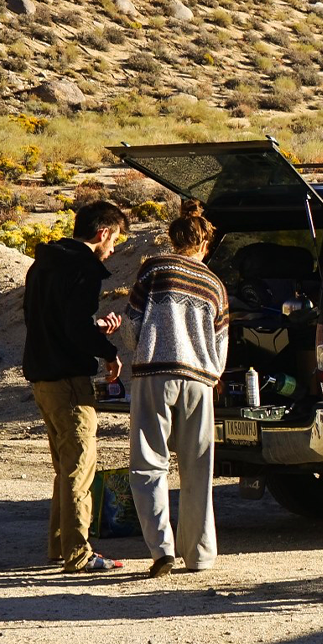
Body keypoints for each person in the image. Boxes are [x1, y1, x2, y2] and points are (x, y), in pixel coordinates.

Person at [22, 200, 129, 572]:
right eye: (114, 240)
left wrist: (92, 331)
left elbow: (53, 320)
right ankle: (79, 554)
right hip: (68, 380)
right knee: (80, 466)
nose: (112, 249)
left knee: (64, 466)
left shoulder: (42, 264)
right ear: (102, 233)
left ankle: (60, 546)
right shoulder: (84, 268)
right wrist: (108, 351)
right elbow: (74, 326)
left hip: (41, 375)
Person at [126, 201, 228, 578]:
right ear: (205, 244)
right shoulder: (215, 284)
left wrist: (140, 349)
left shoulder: (155, 268)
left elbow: (132, 324)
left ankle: (161, 550)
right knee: (198, 468)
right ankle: (200, 555)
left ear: (174, 237)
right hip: (200, 380)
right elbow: (221, 341)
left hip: (155, 373)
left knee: (150, 463)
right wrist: (212, 374)